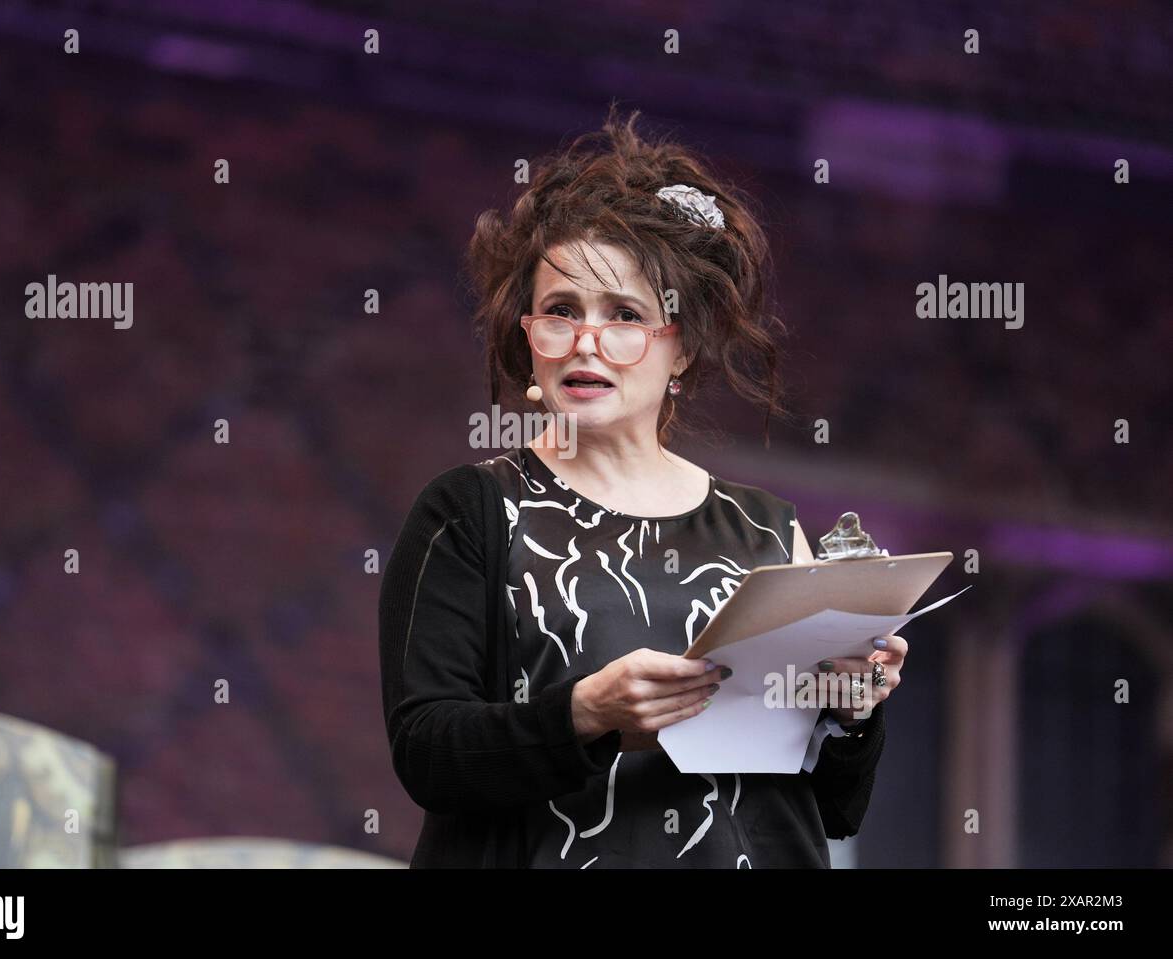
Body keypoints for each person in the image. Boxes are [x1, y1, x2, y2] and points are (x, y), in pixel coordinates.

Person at [378, 104, 907, 868]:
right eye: (560, 311)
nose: (586, 341)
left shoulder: (765, 529)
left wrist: (853, 706)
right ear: (529, 341)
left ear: (682, 347)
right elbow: (427, 753)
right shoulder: (469, 513)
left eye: (624, 314)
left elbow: (831, 803)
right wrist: (585, 713)